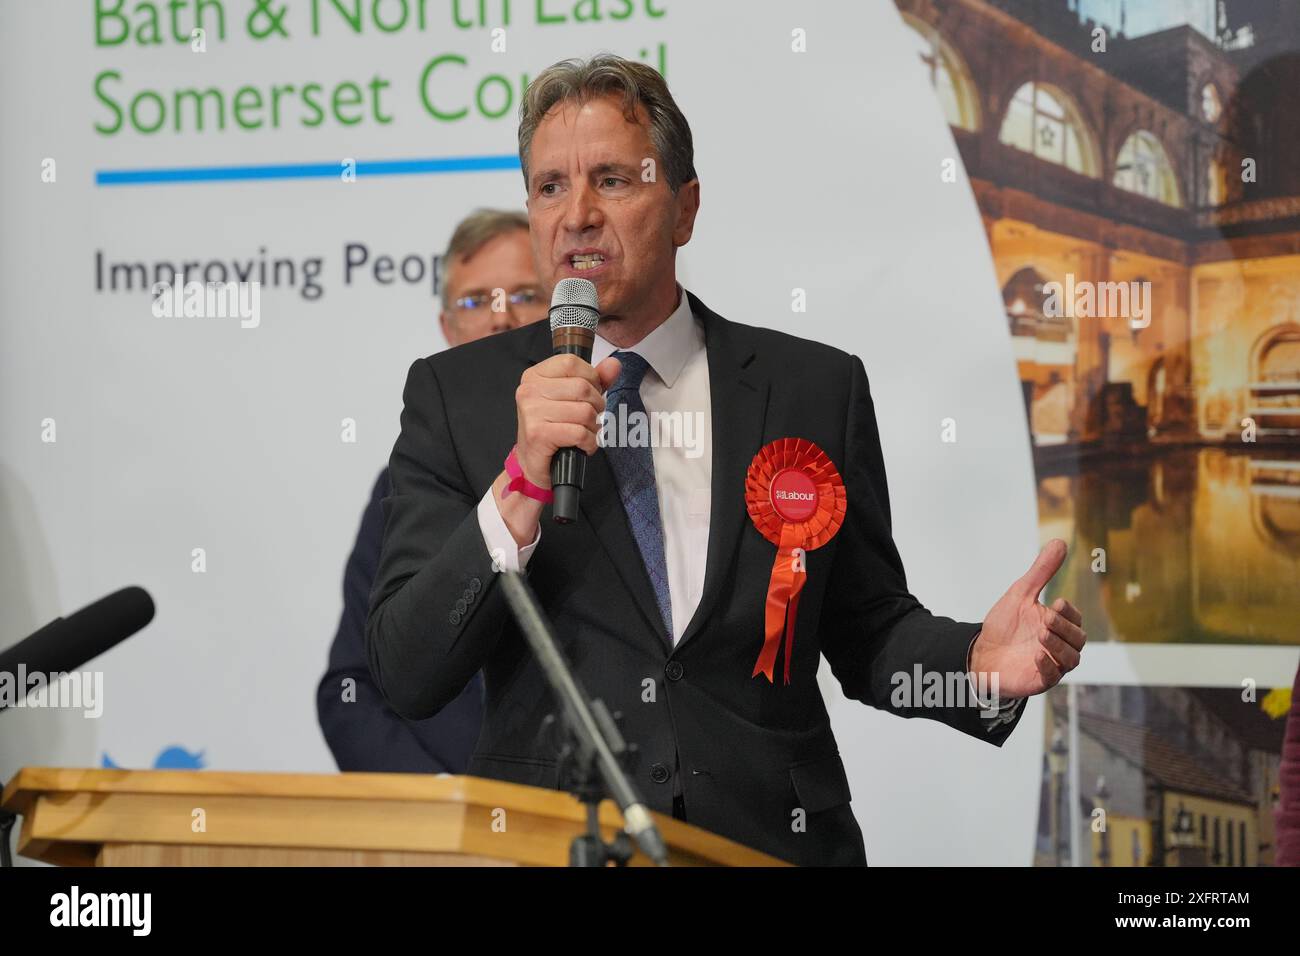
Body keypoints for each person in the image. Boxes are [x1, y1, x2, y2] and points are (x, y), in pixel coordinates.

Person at [366, 55, 1086, 865]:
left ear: (685, 208)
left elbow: (866, 630)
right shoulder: (456, 398)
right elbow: (408, 671)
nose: (578, 216)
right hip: (561, 845)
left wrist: (973, 669)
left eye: (613, 179)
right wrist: (523, 482)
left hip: (775, 844)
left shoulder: (813, 387)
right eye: (550, 188)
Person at [317, 209, 547, 773]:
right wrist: (446, 807)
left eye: (524, 294)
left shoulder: (598, 461)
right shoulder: (403, 485)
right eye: (475, 301)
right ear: (447, 330)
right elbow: (350, 691)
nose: (500, 317)